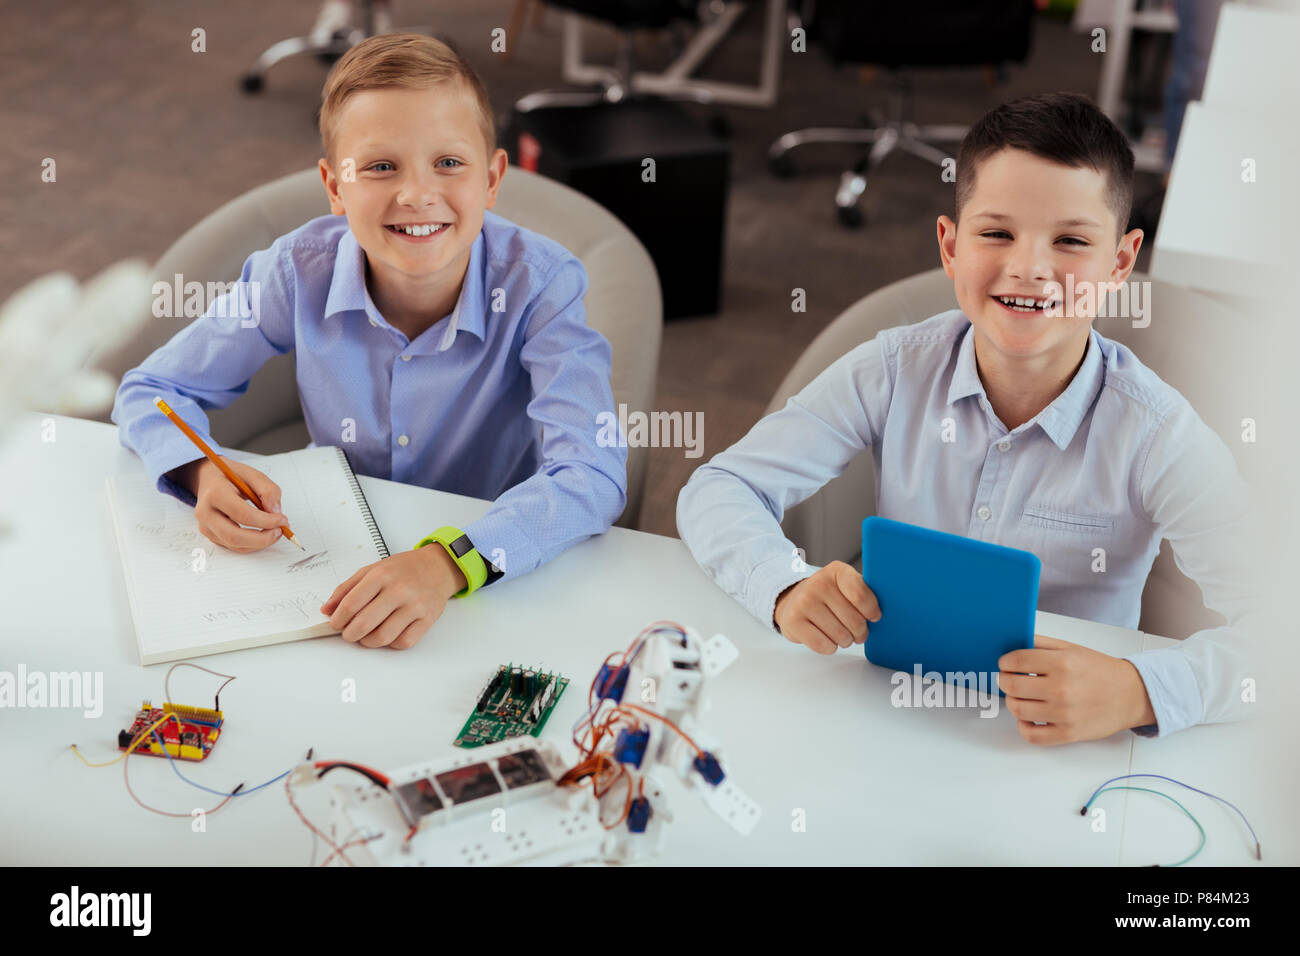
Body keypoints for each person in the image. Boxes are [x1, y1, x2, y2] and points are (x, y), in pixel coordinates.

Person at [677, 92, 1259, 744]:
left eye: (1070, 240)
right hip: (889, 710)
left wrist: (1141, 689)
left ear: (1118, 263)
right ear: (950, 248)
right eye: (996, 233)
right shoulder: (895, 367)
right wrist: (780, 586)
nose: (1029, 269)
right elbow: (719, 488)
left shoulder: (1156, 434)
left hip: (1065, 747)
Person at [113, 34, 626, 651]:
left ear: (491, 179)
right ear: (335, 187)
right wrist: (200, 470)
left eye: (449, 163)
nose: (416, 194)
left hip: (487, 572)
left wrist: (447, 563)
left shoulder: (541, 287)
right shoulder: (295, 270)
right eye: (382, 166)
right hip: (324, 557)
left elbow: (593, 474)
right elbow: (152, 390)